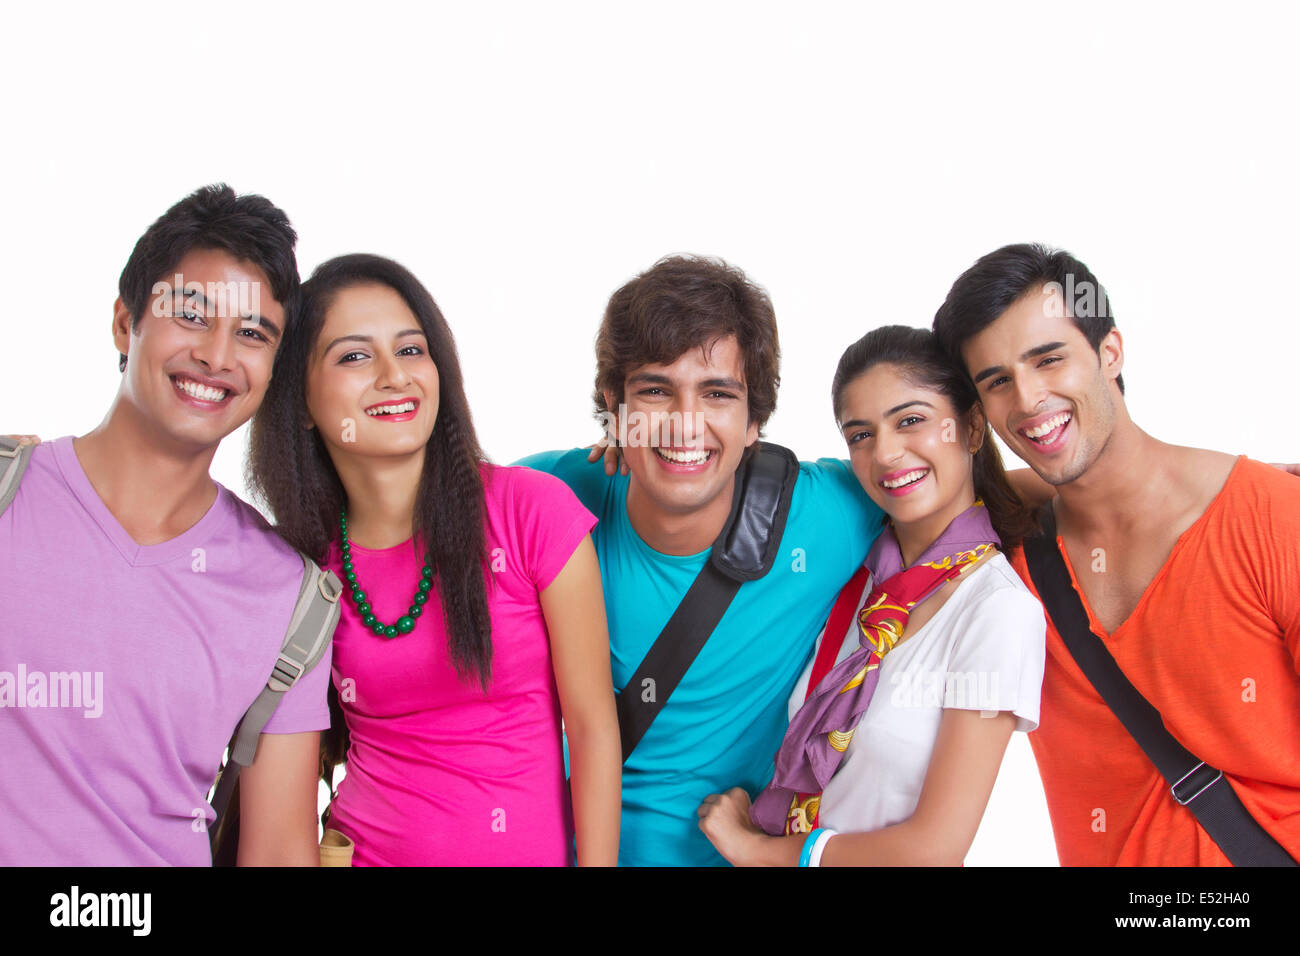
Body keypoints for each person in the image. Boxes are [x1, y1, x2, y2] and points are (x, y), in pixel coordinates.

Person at [932, 242, 1300, 866]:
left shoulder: (1272, 520)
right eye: (997, 382)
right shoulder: (1002, 542)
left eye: (1048, 359)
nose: (1026, 401)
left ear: (1110, 353)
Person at [247, 253, 621, 866]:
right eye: (354, 356)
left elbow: (592, 729)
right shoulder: (299, 568)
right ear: (303, 404)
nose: (394, 376)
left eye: (412, 350)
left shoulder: (531, 510)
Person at [521, 255, 890, 866]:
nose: (685, 424)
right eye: (654, 391)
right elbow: (403, 507)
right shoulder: (548, 499)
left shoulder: (823, 516)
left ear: (755, 422)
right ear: (614, 406)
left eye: (717, 393)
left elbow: (962, 494)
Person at [0, 184, 329, 866]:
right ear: (126, 323)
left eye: (251, 334)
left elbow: (277, 854)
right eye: (192, 314)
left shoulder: (289, 599)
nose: (215, 355)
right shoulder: (8, 494)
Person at [696, 325, 1046, 865]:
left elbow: (933, 850)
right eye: (860, 435)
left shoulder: (996, 611)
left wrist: (755, 850)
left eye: (911, 421)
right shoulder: (854, 575)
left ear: (972, 428)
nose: (885, 454)